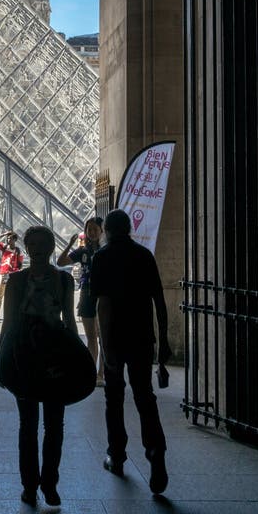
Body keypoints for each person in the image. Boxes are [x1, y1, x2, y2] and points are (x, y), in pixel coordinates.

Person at [89, 208, 171, 495]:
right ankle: (155, 450)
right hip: (142, 337)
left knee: (114, 397)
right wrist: (164, 343)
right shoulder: (144, 256)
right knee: (144, 396)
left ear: (107, 231)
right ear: (130, 228)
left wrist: (105, 345)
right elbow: (159, 301)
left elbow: (103, 305)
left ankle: (117, 454)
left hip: (116, 338)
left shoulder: (102, 257)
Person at [1, 225, 77, 507]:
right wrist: (2, 361)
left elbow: (69, 319)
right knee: (42, 425)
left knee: (41, 425)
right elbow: (66, 321)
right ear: (28, 248)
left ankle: (39, 484)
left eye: (41, 244)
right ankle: (38, 485)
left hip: (39, 356)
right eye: (33, 245)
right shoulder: (57, 281)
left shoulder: (20, 281)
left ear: (50, 247)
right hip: (34, 357)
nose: (37, 250)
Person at [56, 218, 104, 384]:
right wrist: (70, 245)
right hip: (87, 293)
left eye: (95, 229)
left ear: (102, 230)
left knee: (101, 336)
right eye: (89, 229)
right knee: (93, 336)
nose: (91, 233)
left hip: (101, 294)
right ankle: (94, 373)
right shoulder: (83, 251)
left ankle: (100, 374)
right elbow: (60, 262)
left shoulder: (106, 249)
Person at [0, 231, 23, 322]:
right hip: (3, 274)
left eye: (10, 238)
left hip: (12, 275)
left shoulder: (18, 251)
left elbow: (20, 265)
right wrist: (3, 234)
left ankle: (11, 316)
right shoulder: (4, 247)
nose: (8, 240)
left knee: (12, 297)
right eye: (7, 238)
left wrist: (16, 273)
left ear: (15, 240)